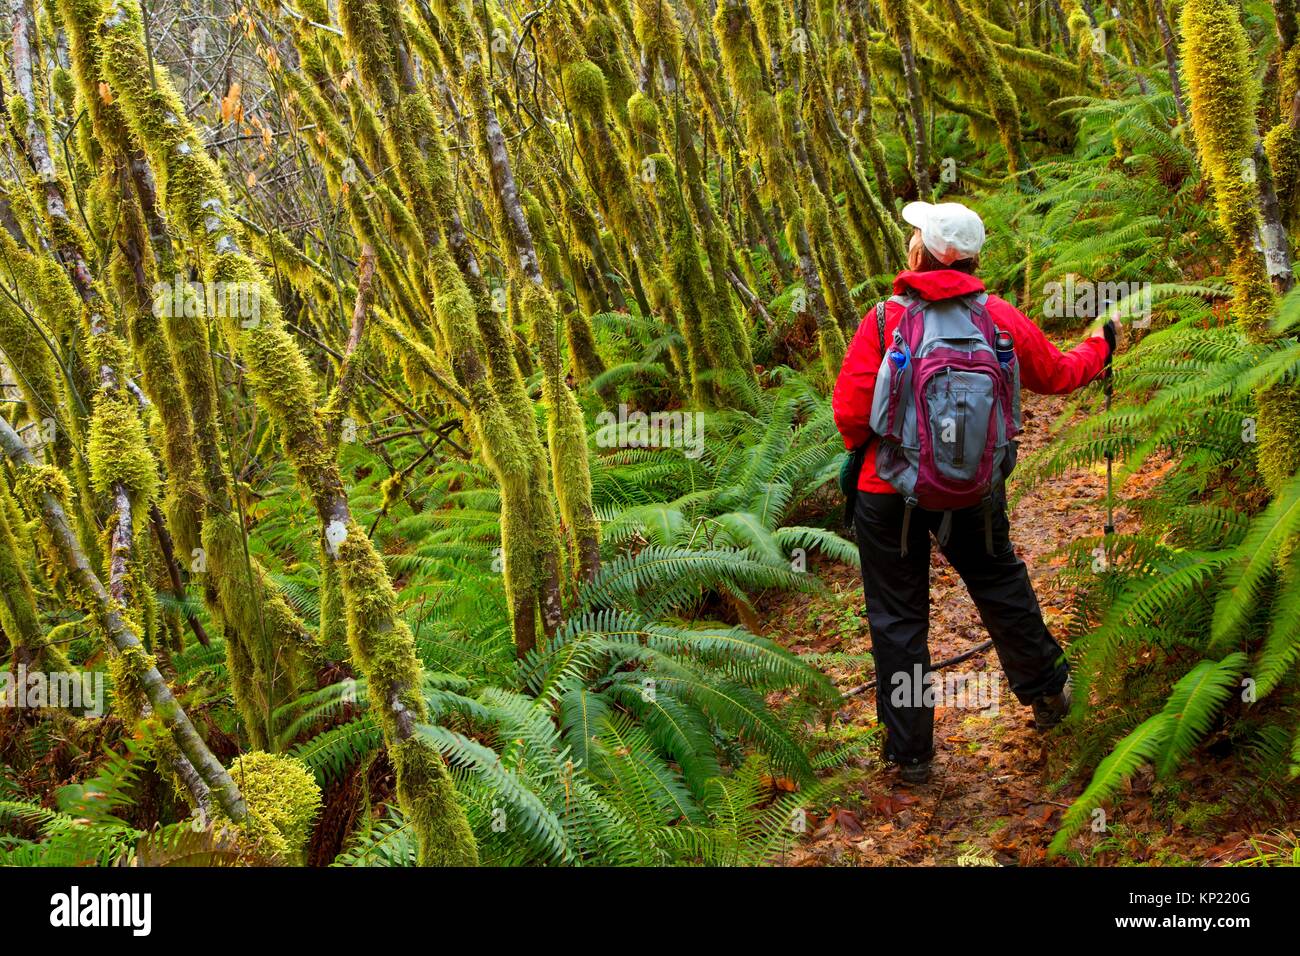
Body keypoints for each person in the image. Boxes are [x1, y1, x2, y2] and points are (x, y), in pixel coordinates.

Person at [832, 201, 1120, 784]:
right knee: (998, 580)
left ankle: (911, 757)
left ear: (925, 252)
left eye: (916, 234)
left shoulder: (886, 321)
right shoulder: (996, 318)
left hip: (887, 491)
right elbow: (1058, 374)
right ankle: (1048, 695)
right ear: (970, 258)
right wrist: (1102, 347)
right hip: (973, 490)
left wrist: (899, 444)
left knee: (897, 618)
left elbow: (849, 416)